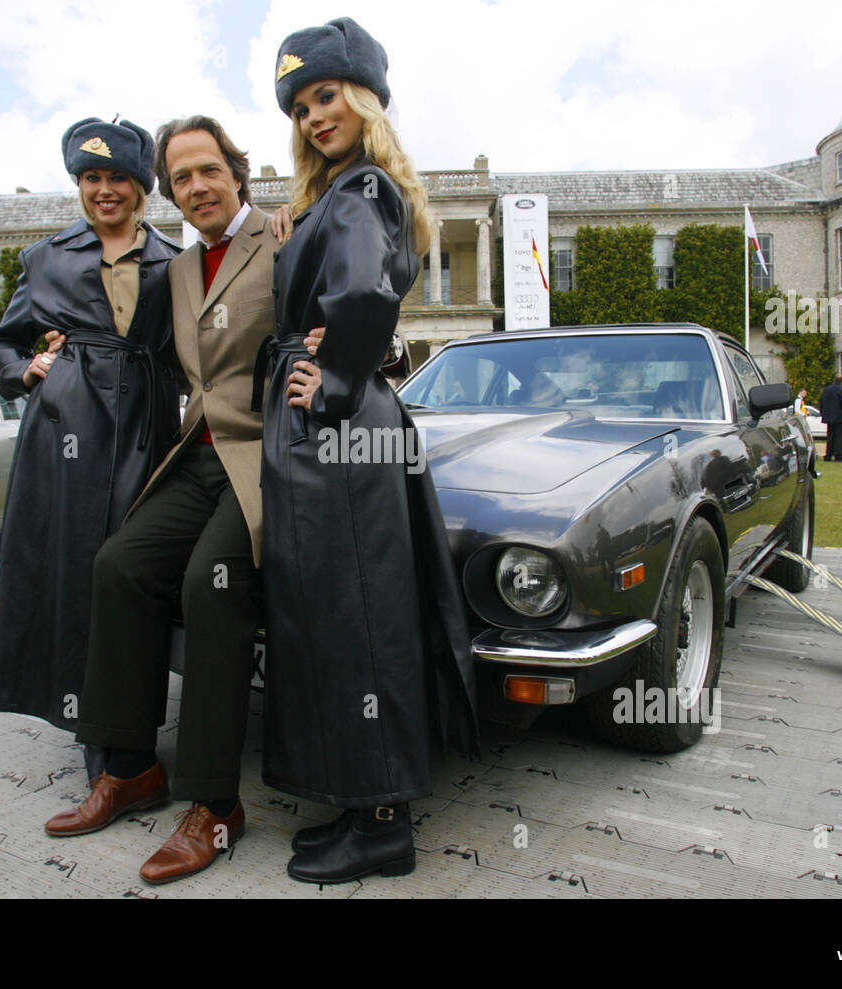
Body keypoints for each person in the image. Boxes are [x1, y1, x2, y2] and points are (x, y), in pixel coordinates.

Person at [260, 16, 479, 885]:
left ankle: (384, 823)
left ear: (364, 99)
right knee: (330, 613)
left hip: (335, 432)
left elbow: (360, 291)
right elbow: (340, 283)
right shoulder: (337, 197)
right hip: (327, 429)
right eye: (302, 105)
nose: (315, 116)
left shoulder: (360, 193)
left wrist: (337, 380)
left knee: (354, 617)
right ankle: (358, 803)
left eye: (327, 96)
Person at [55, 115, 282, 887]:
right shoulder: (180, 272)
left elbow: (362, 315)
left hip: (265, 460)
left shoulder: (286, 240)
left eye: (207, 170)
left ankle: (216, 805)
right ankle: (129, 766)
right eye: (181, 177)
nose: (195, 187)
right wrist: (41, 355)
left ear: (237, 173)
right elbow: (116, 332)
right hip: (198, 454)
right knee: (119, 564)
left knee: (208, 582)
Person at [0, 119, 181, 769]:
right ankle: (92, 733)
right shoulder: (44, 258)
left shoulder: (172, 264)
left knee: (128, 580)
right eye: (91, 178)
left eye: (117, 178)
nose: (104, 190)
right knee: (70, 580)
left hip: (144, 437)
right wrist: (25, 371)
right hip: (64, 441)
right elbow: (7, 342)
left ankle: (126, 739)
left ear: (141, 187)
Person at [819, 372, 842, 461]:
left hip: (829, 416)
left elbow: (821, 402)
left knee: (830, 436)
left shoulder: (826, 389)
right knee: (839, 436)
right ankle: (838, 455)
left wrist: (823, 413)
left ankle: (828, 455)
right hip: (839, 416)